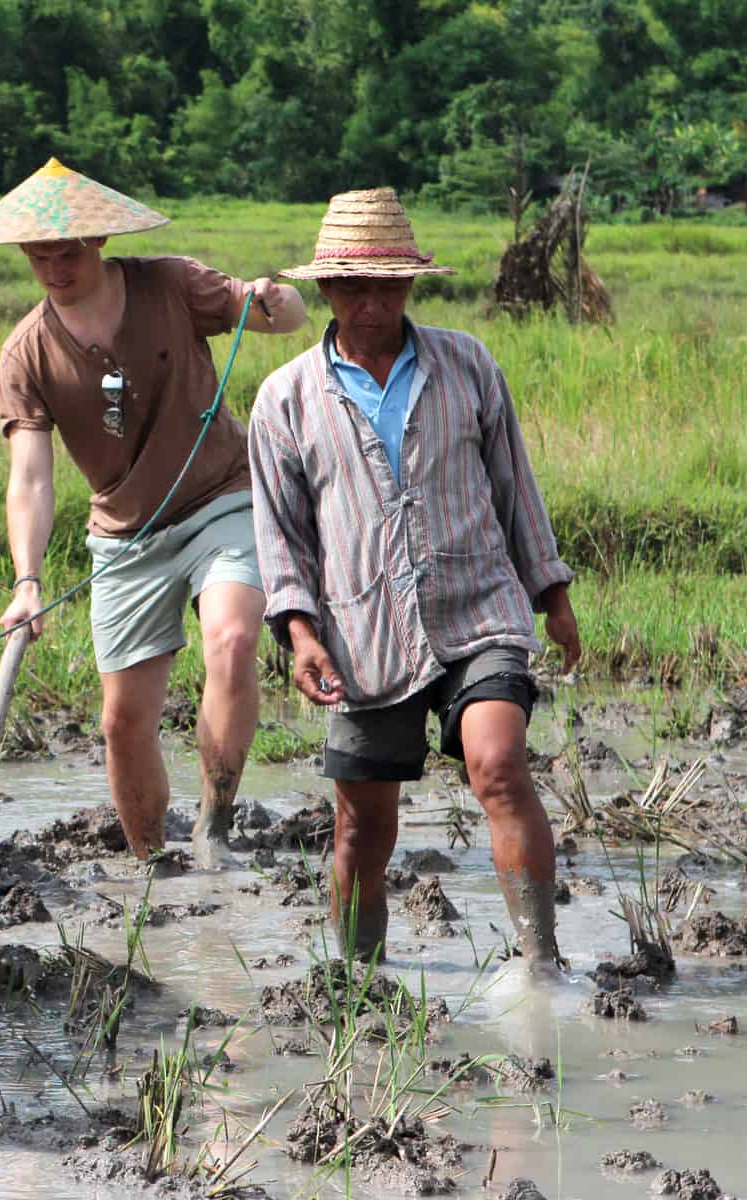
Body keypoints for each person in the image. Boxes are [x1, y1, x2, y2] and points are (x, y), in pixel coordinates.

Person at [246, 187, 582, 967]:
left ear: (412, 285)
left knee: (498, 764)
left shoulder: (466, 364)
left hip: (478, 608)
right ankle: (360, 981)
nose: (374, 304)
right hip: (362, 632)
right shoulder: (286, 400)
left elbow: (514, 486)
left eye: (391, 285)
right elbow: (282, 536)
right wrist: (300, 634)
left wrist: (552, 595)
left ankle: (540, 967)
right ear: (327, 289)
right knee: (362, 827)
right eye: (357, 287)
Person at [0, 158, 308, 868]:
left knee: (233, 642)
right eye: (39, 253)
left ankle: (213, 825)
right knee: (122, 722)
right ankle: (153, 867)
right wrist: (28, 579)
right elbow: (30, 477)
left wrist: (277, 298)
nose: (54, 266)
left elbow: (284, 317)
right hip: (124, 536)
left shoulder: (170, 283)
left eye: (68, 251)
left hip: (221, 499)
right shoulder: (25, 354)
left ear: (100, 242)